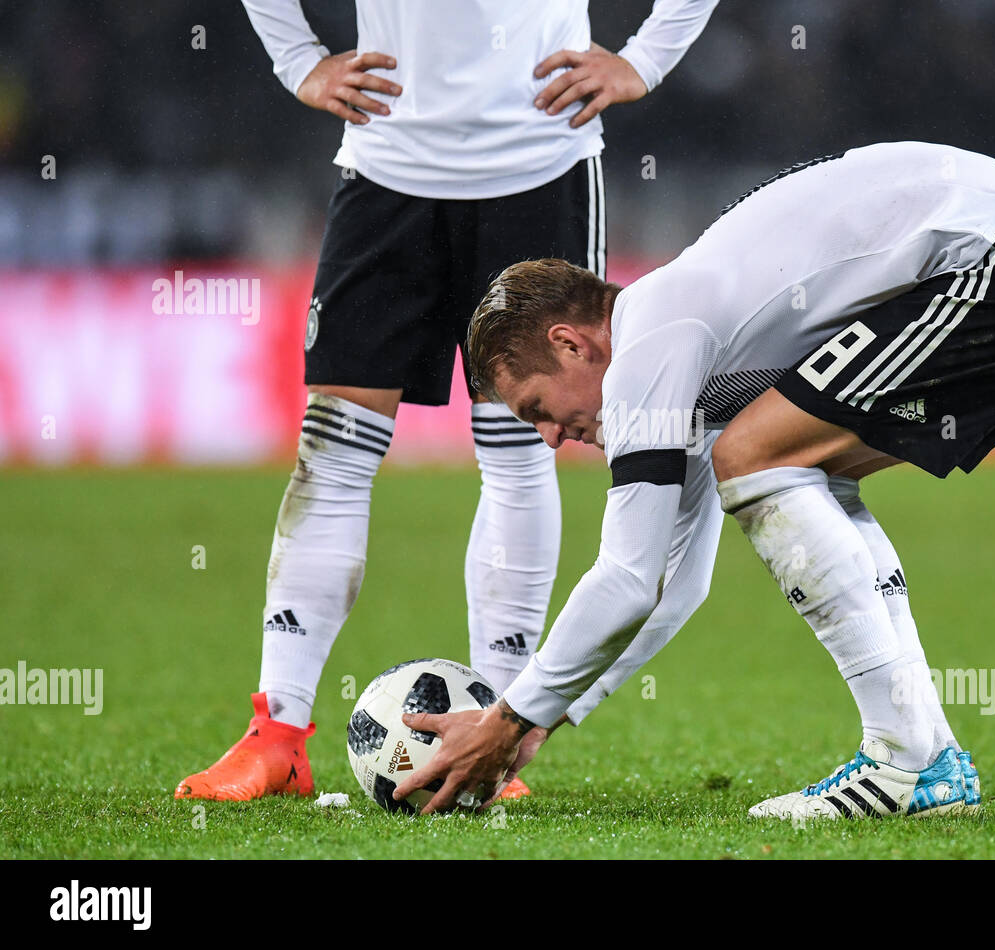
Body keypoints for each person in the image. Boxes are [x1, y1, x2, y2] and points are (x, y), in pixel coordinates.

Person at [394, 141, 995, 819]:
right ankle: (930, 761)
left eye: (539, 410)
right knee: (802, 467)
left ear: (569, 342)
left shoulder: (653, 334)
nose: (556, 437)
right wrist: (544, 719)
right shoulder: (691, 351)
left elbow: (627, 575)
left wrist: (509, 716)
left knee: (757, 455)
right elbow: (674, 583)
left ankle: (904, 759)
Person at [175, 0, 718, 802]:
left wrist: (649, 56)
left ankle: (492, 735)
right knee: (332, 449)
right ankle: (278, 736)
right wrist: (299, 59)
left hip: (540, 159)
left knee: (517, 451)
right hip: (389, 160)